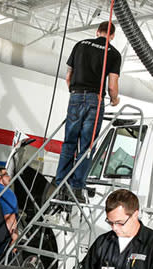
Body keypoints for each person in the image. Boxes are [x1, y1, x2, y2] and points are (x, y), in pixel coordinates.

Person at [53, 21, 121, 203]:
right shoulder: (113, 54)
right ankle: (76, 188)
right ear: (112, 36)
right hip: (94, 100)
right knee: (87, 146)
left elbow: (68, 76)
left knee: (69, 143)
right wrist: (115, 100)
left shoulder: (80, 45)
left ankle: (60, 185)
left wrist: (75, 93)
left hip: (75, 97)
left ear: (97, 31)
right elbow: (112, 86)